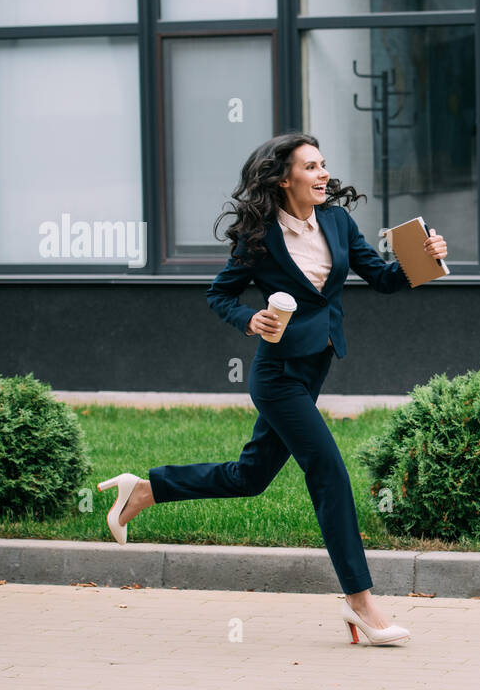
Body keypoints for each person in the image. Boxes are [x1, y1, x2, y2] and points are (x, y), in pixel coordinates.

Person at [96, 133, 448, 646]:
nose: (324, 173)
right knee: (327, 472)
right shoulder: (259, 236)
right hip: (277, 374)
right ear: (285, 178)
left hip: (314, 369)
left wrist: (426, 259)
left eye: (324, 164)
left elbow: (384, 278)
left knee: (251, 476)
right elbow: (220, 293)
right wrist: (250, 319)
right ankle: (362, 605)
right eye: (311, 166)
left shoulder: (336, 221)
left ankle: (147, 488)